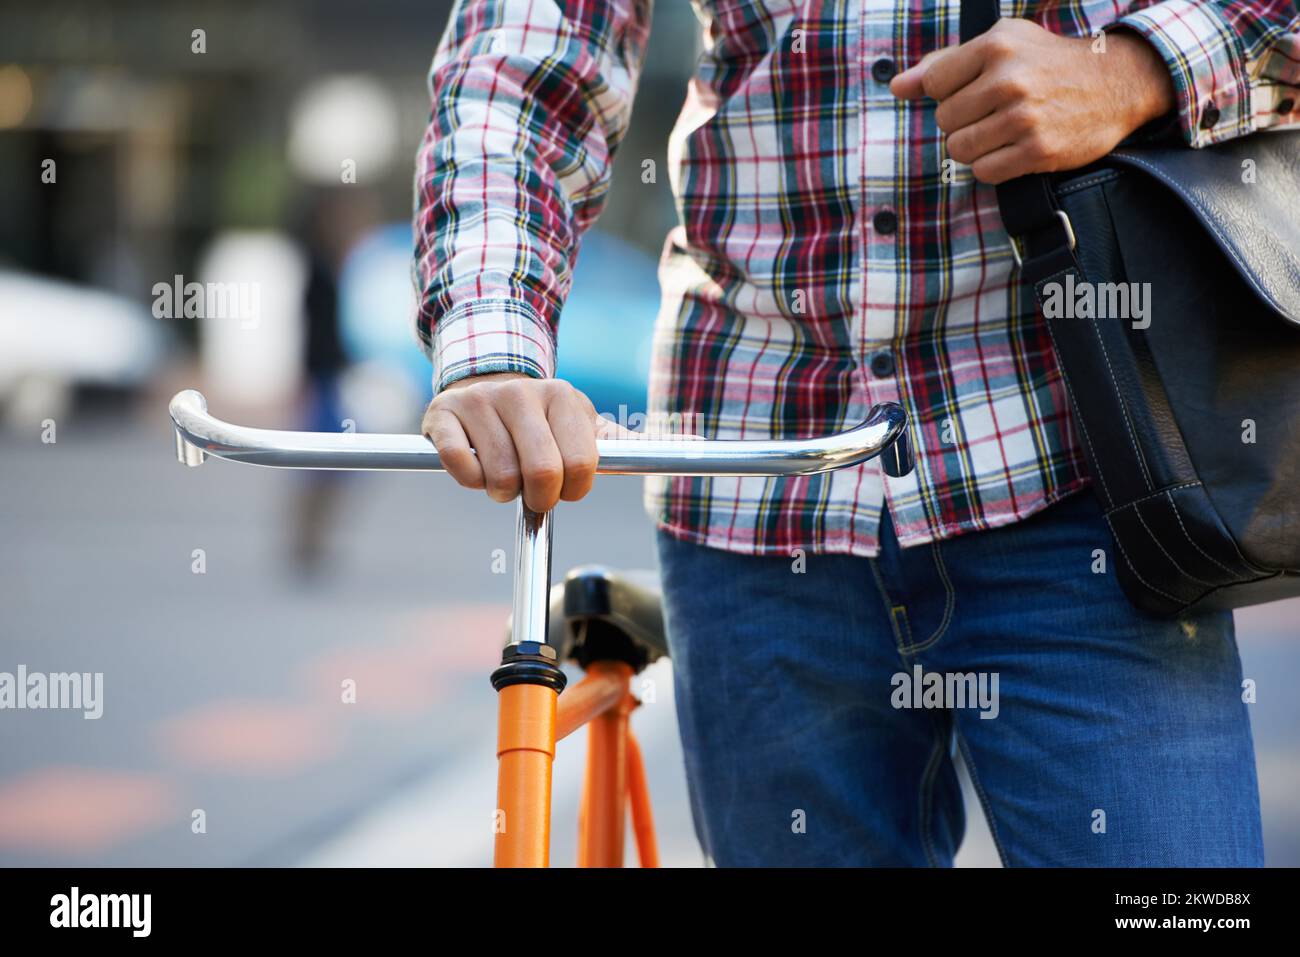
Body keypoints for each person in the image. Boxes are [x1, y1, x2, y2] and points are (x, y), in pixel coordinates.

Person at [413, 1, 1299, 866]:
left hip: (1089, 477)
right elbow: (520, 66)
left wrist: (1135, 69)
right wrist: (494, 346)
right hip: (756, 489)